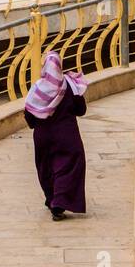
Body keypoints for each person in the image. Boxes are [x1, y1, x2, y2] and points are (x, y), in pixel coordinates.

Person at [23, 50, 90, 220]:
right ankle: (59, 202)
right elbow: (80, 109)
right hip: (67, 135)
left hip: (42, 136)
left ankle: (52, 198)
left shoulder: (37, 88)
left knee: (46, 166)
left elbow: (29, 115)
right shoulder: (70, 85)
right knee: (69, 165)